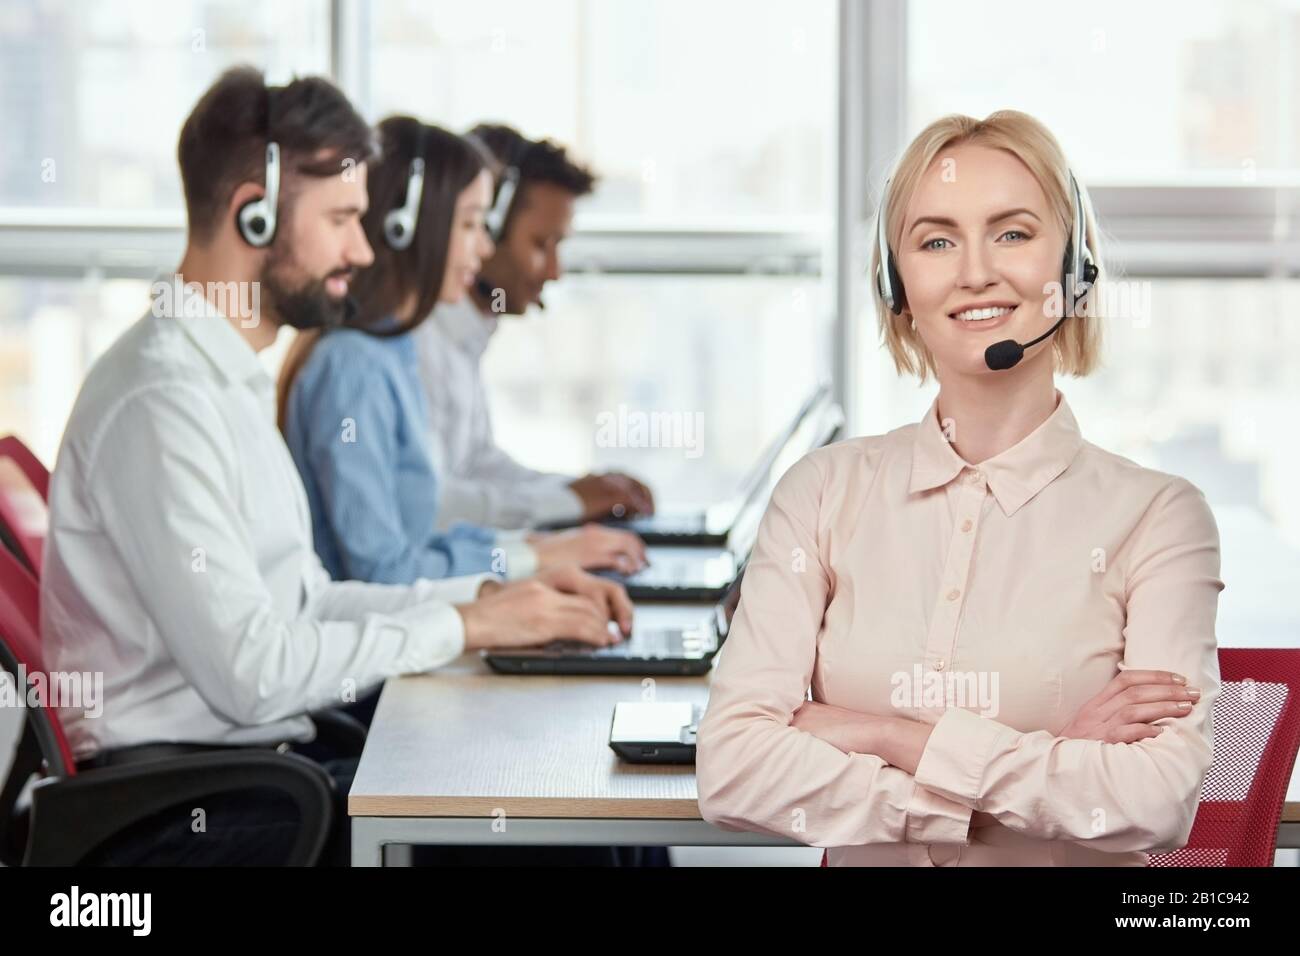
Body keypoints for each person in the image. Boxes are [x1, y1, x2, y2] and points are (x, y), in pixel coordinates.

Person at [40, 68, 630, 866]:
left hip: (256, 775)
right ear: (254, 213)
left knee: (572, 805)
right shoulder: (161, 403)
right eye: (344, 218)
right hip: (182, 817)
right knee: (568, 840)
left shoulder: (220, 381)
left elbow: (308, 603)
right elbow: (253, 674)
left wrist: (486, 598)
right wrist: (463, 624)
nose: (362, 246)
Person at [696, 110, 1223, 867]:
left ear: (1072, 271)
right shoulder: (820, 494)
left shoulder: (1158, 516)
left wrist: (885, 736)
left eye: (1012, 232)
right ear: (896, 283)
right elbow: (734, 771)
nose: (976, 271)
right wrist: (1031, 771)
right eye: (936, 240)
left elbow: (1154, 801)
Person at [278, 118, 648, 585]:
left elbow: (426, 532)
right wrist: (537, 557)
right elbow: (384, 570)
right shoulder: (356, 367)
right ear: (411, 228)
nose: (485, 246)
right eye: (472, 223)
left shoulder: (392, 354)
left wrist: (535, 552)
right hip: (386, 639)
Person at [413, 123, 654, 531]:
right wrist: (566, 502)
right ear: (489, 228)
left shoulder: (463, 336)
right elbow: (433, 505)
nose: (555, 272)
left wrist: (578, 489)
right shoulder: (416, 344)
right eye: (542, 245)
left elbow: (476, 465)